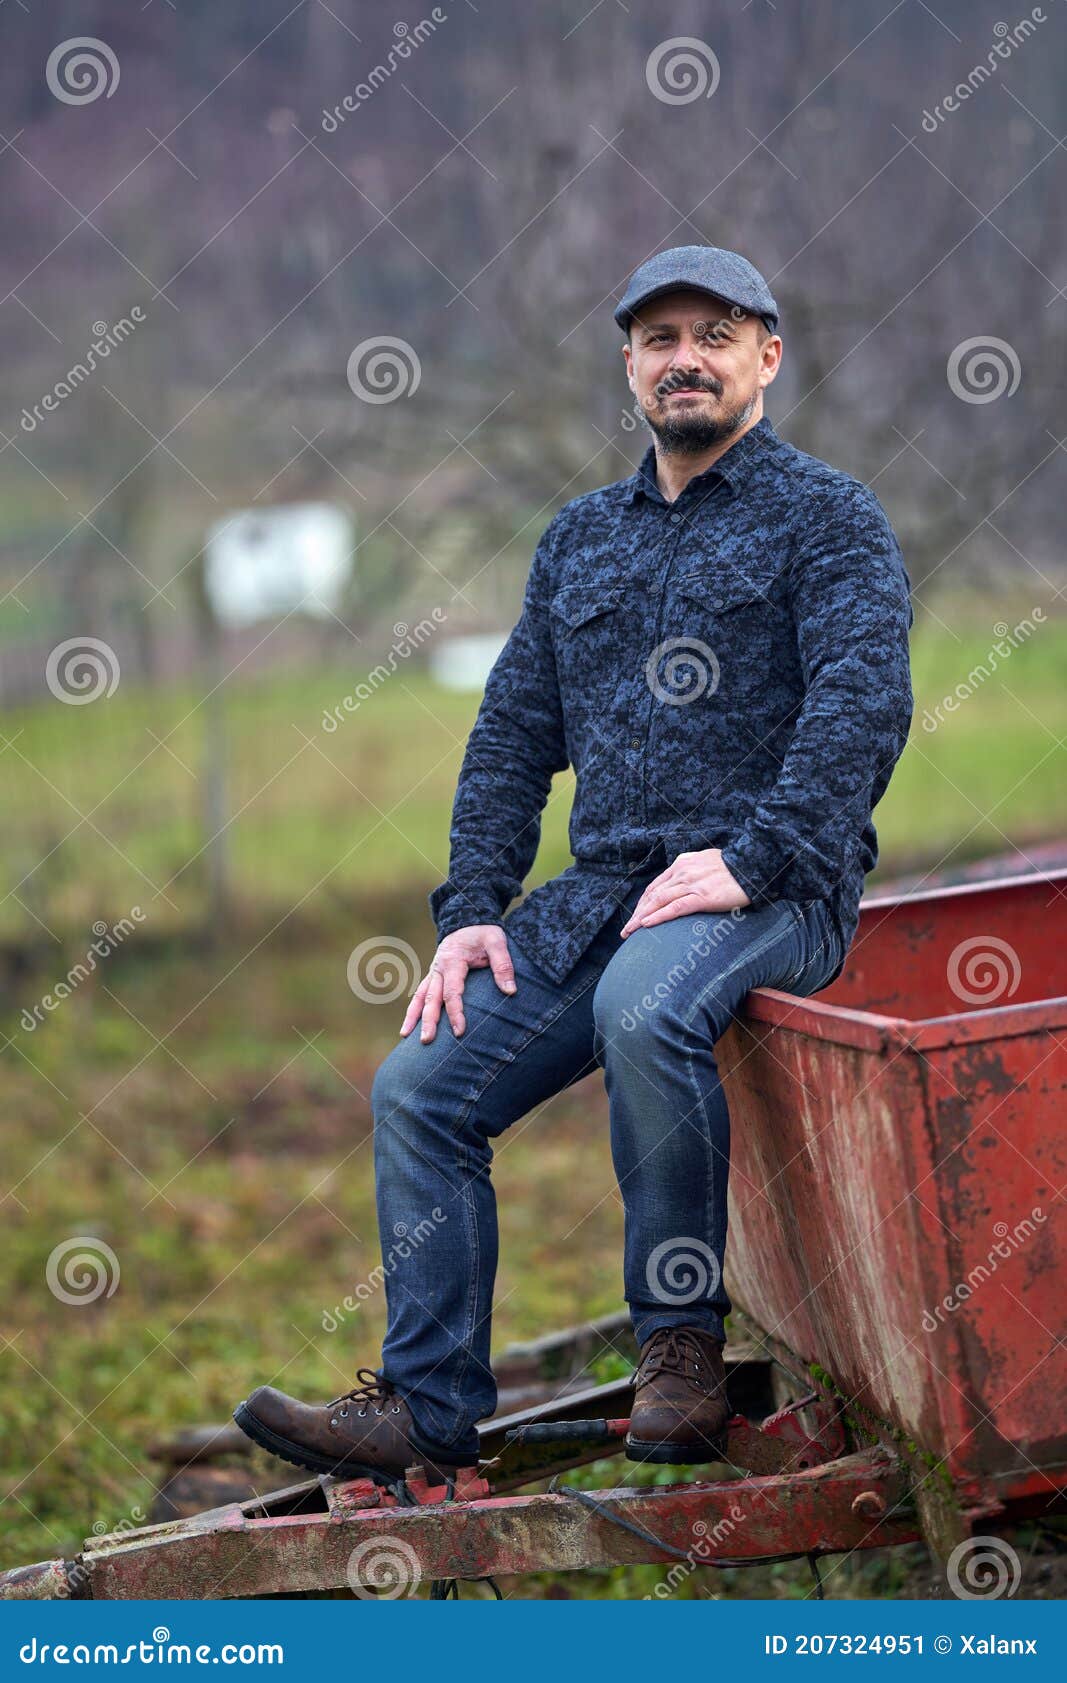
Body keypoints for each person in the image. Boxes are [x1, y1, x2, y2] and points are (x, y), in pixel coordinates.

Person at [235, 245, 914, 1485]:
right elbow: (509, 734)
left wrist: (754, 857)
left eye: (714, 334)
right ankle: (424, 1409)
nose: (684, 359)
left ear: (766, 355)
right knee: (418, 1085)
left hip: (775, 888)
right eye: (659, 340)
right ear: (629, 368)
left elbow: (861, 707)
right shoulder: (579, 540)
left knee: (642, 1003)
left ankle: (678, 1354)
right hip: (601, 897)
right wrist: (470, 910)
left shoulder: (825, 518)